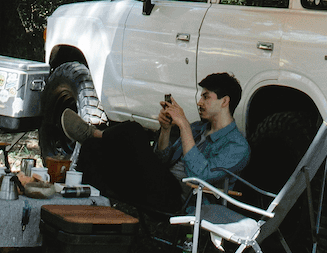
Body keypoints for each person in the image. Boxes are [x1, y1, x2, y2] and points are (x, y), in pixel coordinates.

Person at [61, 72, 251, 215]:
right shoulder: (197, 128)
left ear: (225, 101)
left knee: (134, 131)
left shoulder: (237, 147)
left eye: (206, 97)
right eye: (201, 96)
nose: (199, 102)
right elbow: (161, 160)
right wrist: (166, 130)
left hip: (180, 201)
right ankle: (76, 209)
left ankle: (92, 133)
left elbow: (198, 177)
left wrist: (183, 125)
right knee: (94, 149)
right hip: (156, 185)